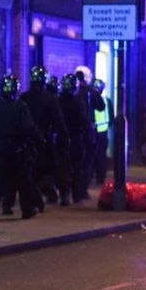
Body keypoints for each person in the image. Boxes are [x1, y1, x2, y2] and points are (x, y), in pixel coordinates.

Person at [0, 75, 45, 220]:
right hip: (17, 149)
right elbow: (29, 127)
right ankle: (27, 209)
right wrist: (40, 141)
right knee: (23, 180)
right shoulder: (20, 107)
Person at [19, 66, 70, 207]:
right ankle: (50, 193)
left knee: (31, 172)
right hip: (45, 141)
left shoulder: (24, 98)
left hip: (28, 141)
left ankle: (39, 196)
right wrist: (63, 137)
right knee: (51, 168)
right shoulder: (51, 99)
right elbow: (58, 120)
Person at [58, 73, 90, 203]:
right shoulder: (79, 102)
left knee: (63, 167)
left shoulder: (58, 101)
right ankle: (77, 195)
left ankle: (64, 195)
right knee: (77, 168)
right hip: (76, 137)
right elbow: (84, 120)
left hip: (61, 138)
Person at [75, 66, 104, 190]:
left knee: (75, 160)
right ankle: (82, 188)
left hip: (73, 131)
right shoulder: (90, 92)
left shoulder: (72, 92)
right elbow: (101, 106)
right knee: (88, 160)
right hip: (88, 130)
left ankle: (74, 188)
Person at [91, 79, 113, 184]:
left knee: (93, 156)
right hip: (103, 132)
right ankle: (100, 178)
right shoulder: (106, 101)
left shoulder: (90, 99)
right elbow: (111, 118)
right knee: (101, 156)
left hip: (93, 132)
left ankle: (91, 176)